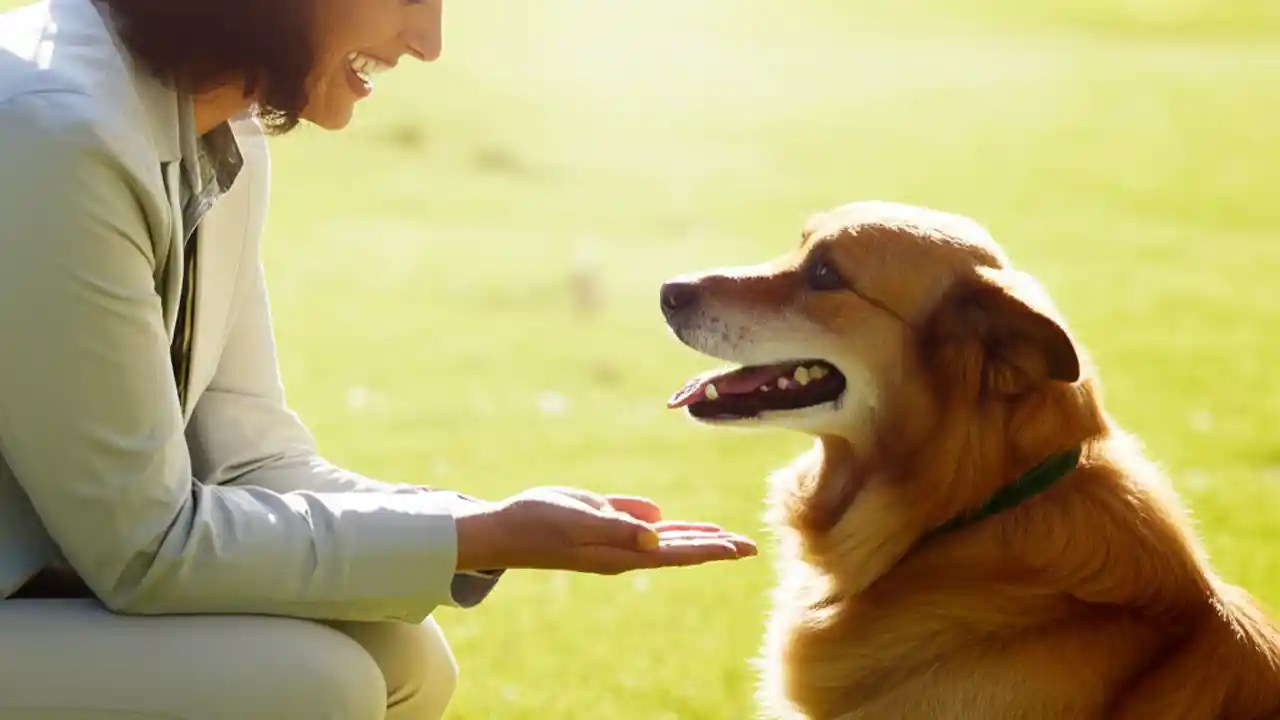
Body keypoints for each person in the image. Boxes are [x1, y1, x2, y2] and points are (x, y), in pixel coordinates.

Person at [0, 0, 758, 717]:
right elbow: (146, 548)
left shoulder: (220, 128)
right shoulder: (57, 136)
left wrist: (474, 519)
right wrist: (485, 537)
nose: (428, 42)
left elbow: (249, 462)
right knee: (308, 687)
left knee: (406, 657)